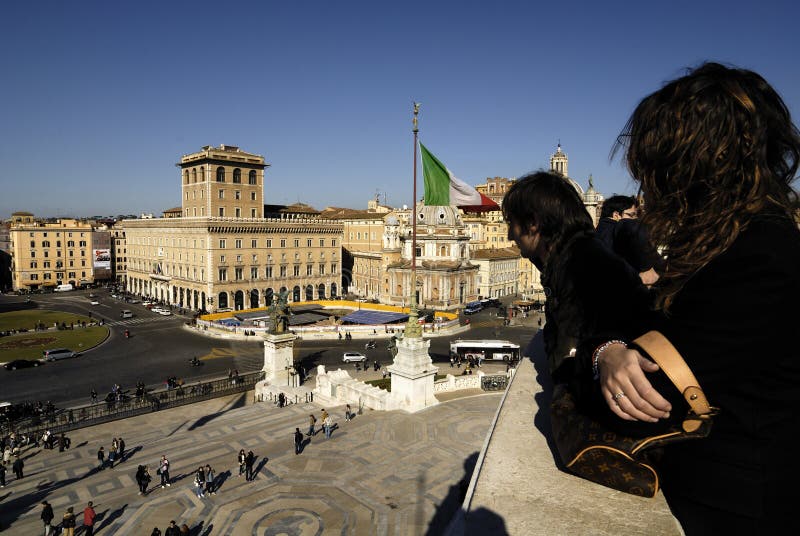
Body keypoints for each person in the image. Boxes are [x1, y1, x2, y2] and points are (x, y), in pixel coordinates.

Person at [597, 62, 800, 533]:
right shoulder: (729, 242)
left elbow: (645, 398)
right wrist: (610, 349)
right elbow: (640, 326)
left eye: (658, 168)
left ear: (699, 165)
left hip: (738, 511)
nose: (648, 188)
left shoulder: (761, 257)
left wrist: (600, 356)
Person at [503, 171, 649, 384]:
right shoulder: (576, 251)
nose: (509, 235)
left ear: (533, 223)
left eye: (511, 223)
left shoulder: (577, 266)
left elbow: (565, 365)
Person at [595, 194, 661, 285]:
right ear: (616, 215)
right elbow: (634, 228)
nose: (635, 218)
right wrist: (647, 268)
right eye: (632, 215)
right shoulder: (618, 227)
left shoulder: (597, 234)